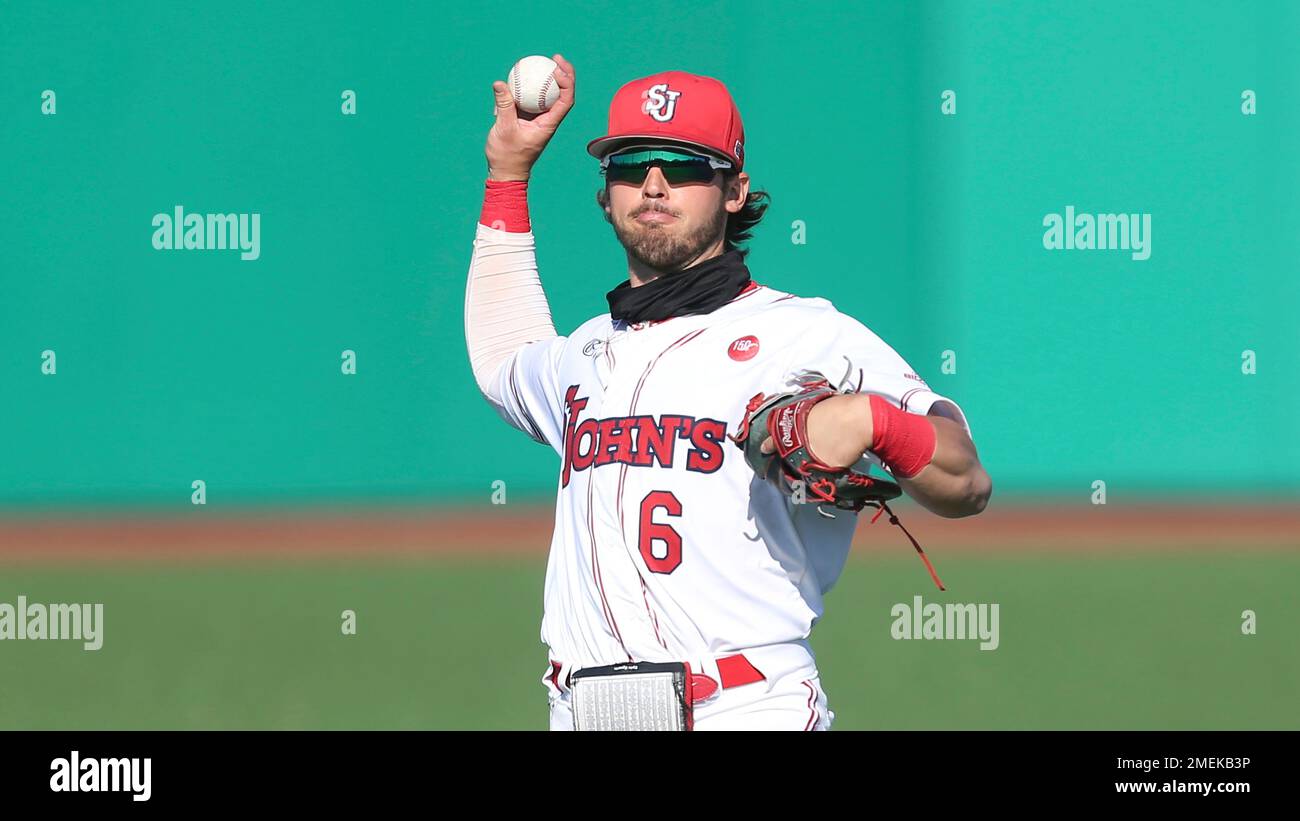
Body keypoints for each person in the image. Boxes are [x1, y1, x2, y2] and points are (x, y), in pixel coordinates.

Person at [465, 55, 991, 730]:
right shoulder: (581, 355)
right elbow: (503, 353)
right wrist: (508, 174)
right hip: (579, 712)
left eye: (683, 165)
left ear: (735, 189)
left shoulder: (804, 336)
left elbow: (967, 478)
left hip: (742, 707)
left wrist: (877, 422)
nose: (653, 185)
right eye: (631, 165)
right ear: (605, 193)